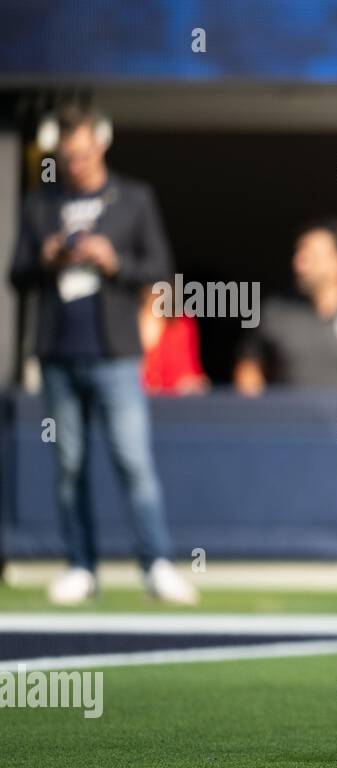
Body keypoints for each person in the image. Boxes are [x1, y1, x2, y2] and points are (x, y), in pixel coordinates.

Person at [8, 104, 197, 605]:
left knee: (133, 460)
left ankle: (156, 562)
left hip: (114, 351)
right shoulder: (39, 204)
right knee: (69, 463)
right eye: (67, 156)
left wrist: (113, 261)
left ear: (101, 145)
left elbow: (159, 267)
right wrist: (46, 257)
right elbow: (16, 274)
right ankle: (80, 565)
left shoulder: (133, 199)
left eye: (84, 154)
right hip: (57, 352)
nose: (76, 164)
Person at [234, 218, 337, 396]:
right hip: (287, 419)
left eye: (312, 257)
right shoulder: (273, 311)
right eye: (299, 255)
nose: (299, 264)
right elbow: (248, 366)